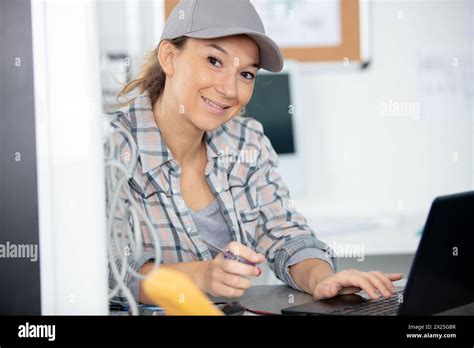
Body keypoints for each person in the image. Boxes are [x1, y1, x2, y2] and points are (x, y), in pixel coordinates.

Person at [107, 0, 402, 306]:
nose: (231, 90)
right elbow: (106, 273)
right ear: (169, 57)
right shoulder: (111, 151)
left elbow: (283, 235)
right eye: (214, 61)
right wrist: (201, 276)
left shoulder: (245, 142)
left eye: (246, 74)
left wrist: (321, 279)